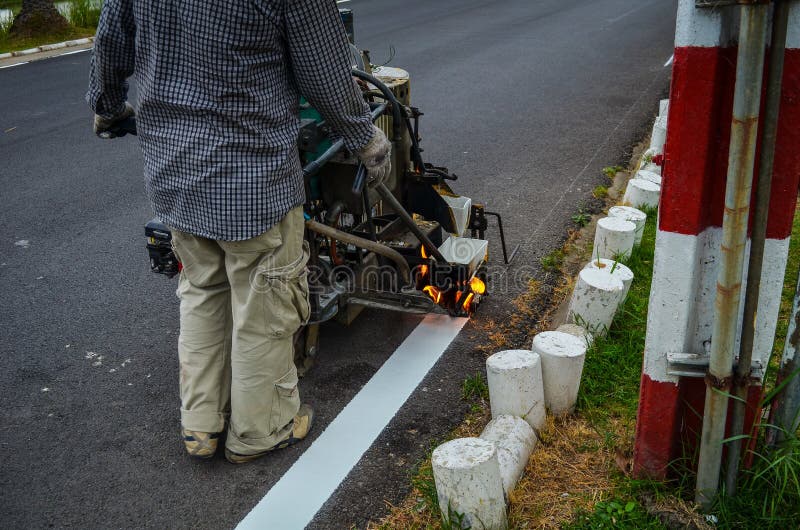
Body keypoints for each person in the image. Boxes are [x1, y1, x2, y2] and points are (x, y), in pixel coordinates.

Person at [87, 0, 391, 463]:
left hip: (174, 174)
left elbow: (111, 42)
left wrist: (107, 106)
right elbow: (325, 69)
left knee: (202, 289)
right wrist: (365, 136)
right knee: (264, 303)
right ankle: (262, 431)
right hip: (252, 177)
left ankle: (201, 427)